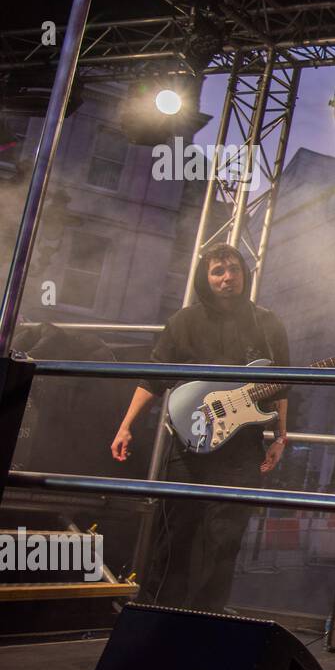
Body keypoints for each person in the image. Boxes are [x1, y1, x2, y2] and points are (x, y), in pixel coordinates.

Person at [110, 244, 290, 613]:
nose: (228, 278)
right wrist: (126, 425)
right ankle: (154, 615)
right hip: (188, 446)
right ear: (205, 278)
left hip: (242, 450)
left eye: (234, 269)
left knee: (224, 542)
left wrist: (280, 435)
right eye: (218, 271)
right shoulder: (183, 322)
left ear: (245, 274)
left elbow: (281, 383)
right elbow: (152, 377)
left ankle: (203, 618)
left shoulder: (267, 324)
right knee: (174, 533)